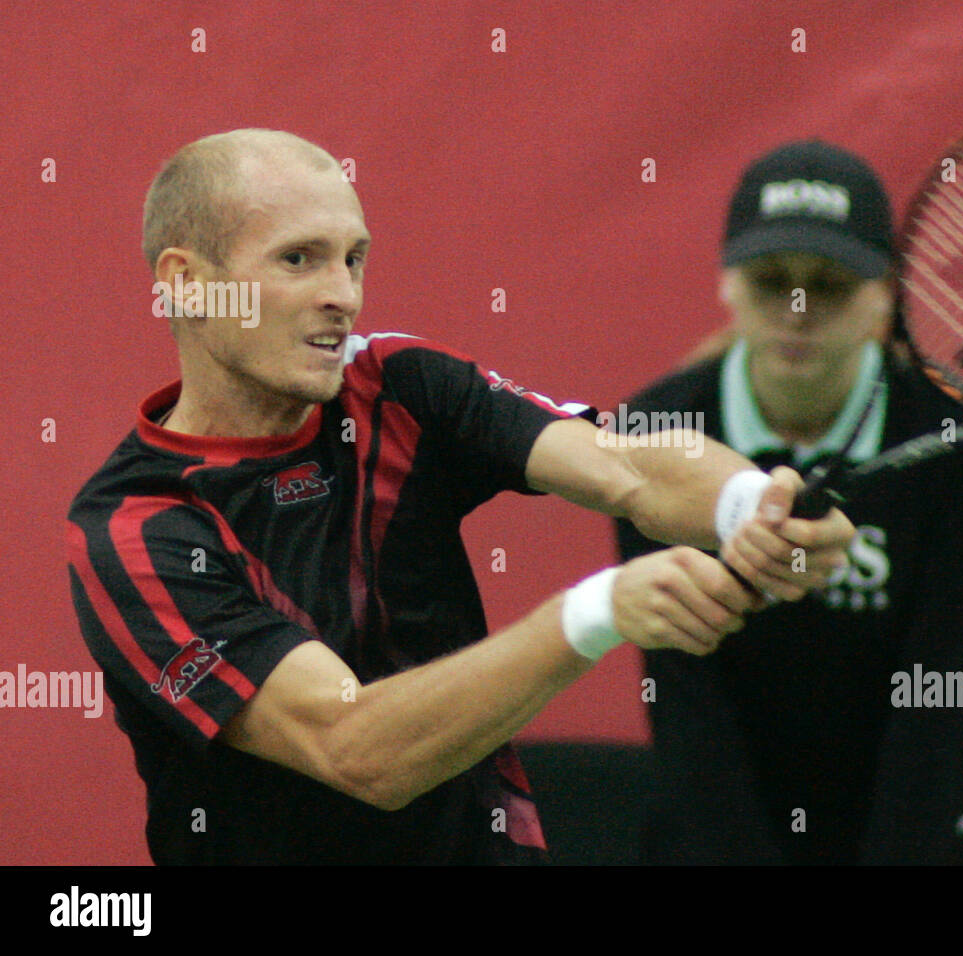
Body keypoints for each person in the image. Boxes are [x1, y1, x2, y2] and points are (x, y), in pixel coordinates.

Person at [66, 129, 855, 865]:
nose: (343, 294)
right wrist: (595, 612)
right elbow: (355, 747)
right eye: (299, 259)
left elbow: (630, 467)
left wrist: (751, 507)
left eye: (354, 258)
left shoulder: (399, 384)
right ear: (187, 285)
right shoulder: (135, 526)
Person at [614, 140, 963, 865]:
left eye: (830, 283)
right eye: (771, 279)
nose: (798, 311)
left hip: (933, 794)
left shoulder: (953, 440)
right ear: (726, 284)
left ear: (883, 294)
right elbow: (686, 701)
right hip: (729, 808)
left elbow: (943, 668)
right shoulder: (657, 432)